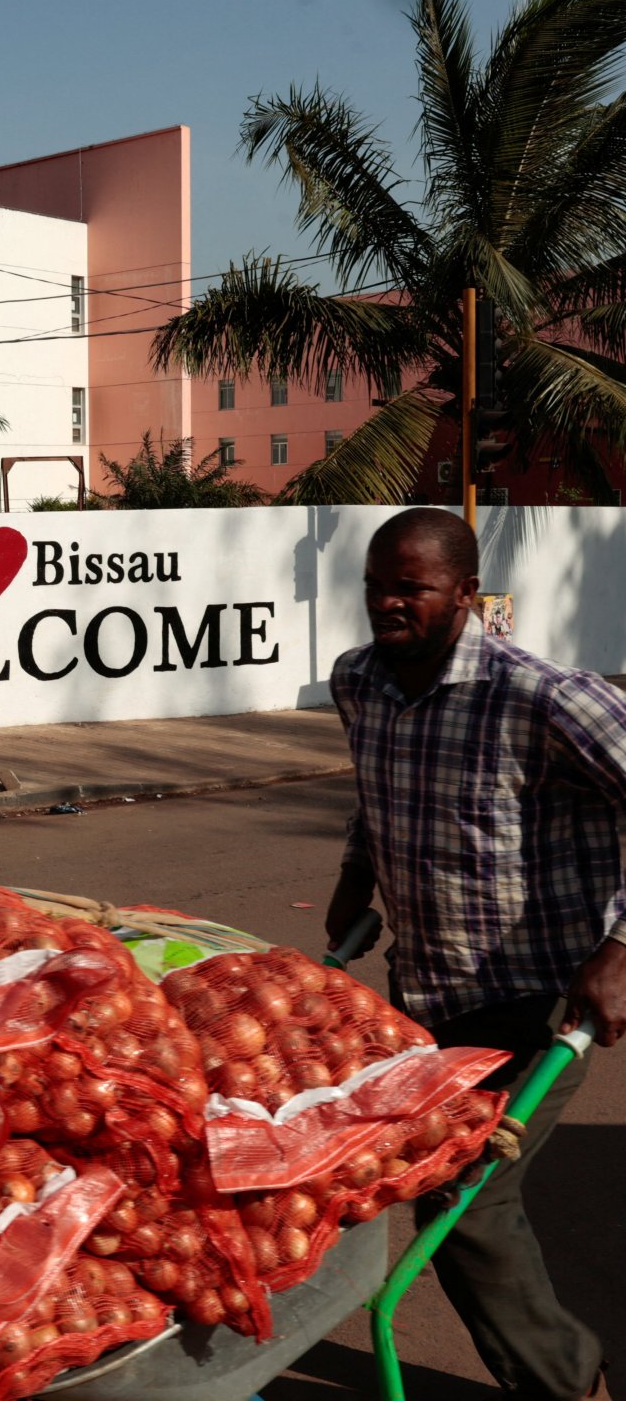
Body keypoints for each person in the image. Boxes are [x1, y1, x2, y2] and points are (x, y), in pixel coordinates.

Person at [325, 507, 624, 1401]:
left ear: (464, 593)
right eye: (377, 584)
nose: (387, 602)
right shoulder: (357, 681)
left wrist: (621, 947)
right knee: (431, 1186)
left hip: (543, 1002)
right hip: (427, 993)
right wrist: (355, 874)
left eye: (409, 587)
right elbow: (381, 792)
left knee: (464, 1207)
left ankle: (566, 1385)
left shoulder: (541, 695)